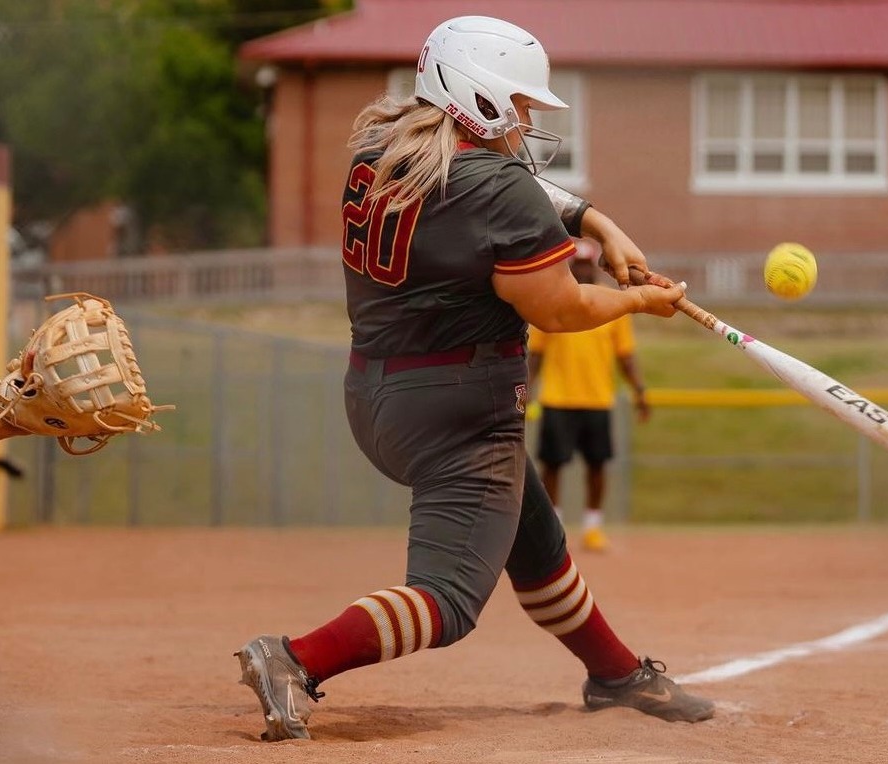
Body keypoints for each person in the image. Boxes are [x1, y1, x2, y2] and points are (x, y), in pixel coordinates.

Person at [234, 15, 714, 741]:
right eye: (517, 102)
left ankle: (616, 674)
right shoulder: (496, 187)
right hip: (461, 410)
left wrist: (596, 221)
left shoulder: (384, 150)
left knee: (536, 543)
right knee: (449, 600)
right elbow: (560, 308)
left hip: (376, 396)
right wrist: (641, 302)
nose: (524, 119)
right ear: (477, 93)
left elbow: (501, 194)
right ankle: (295, 658)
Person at [528, 244, 650, 552]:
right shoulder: (553, 300)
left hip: (597, 398)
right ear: (570, 266)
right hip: (557, 397)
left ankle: (593, 528)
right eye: (577, 264)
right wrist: (526, 389)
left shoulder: (612, 304)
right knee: (552, 465)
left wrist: (639, 389)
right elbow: (536, 355)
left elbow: (625, 356)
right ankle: (552, 528)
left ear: (594, 266)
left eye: (586, 264)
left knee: (597, 465)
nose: (582, 269)